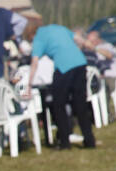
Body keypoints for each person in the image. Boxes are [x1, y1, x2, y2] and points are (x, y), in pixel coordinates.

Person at [21, 20, 94, 149]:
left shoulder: (38, 38)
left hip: (64, 67)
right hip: (80, 63)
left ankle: (64, 142)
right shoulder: (57, 27)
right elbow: (78, 39)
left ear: (31, 34)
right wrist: (87, 44)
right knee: (80, 104)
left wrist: (29, 84)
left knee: (58, 104)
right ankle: (89, 140)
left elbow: (34, 63)